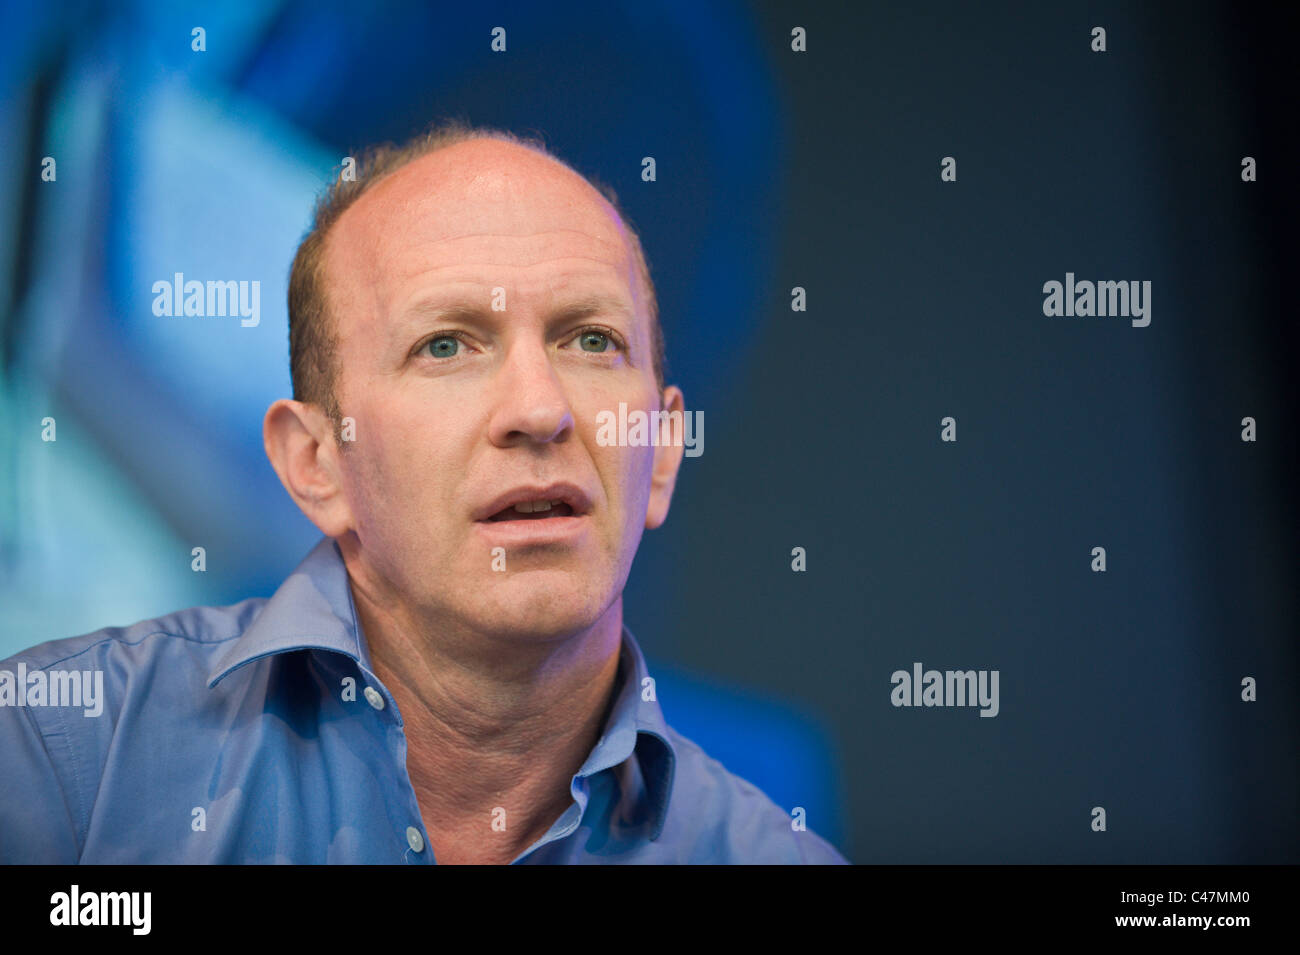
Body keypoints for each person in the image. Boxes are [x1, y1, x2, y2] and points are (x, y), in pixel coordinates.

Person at [0, 122, 847, 864]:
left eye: (592, 339)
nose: (538, 409)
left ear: (662, 453)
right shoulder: (62, 761)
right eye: (446, 345)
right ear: (315, 463)